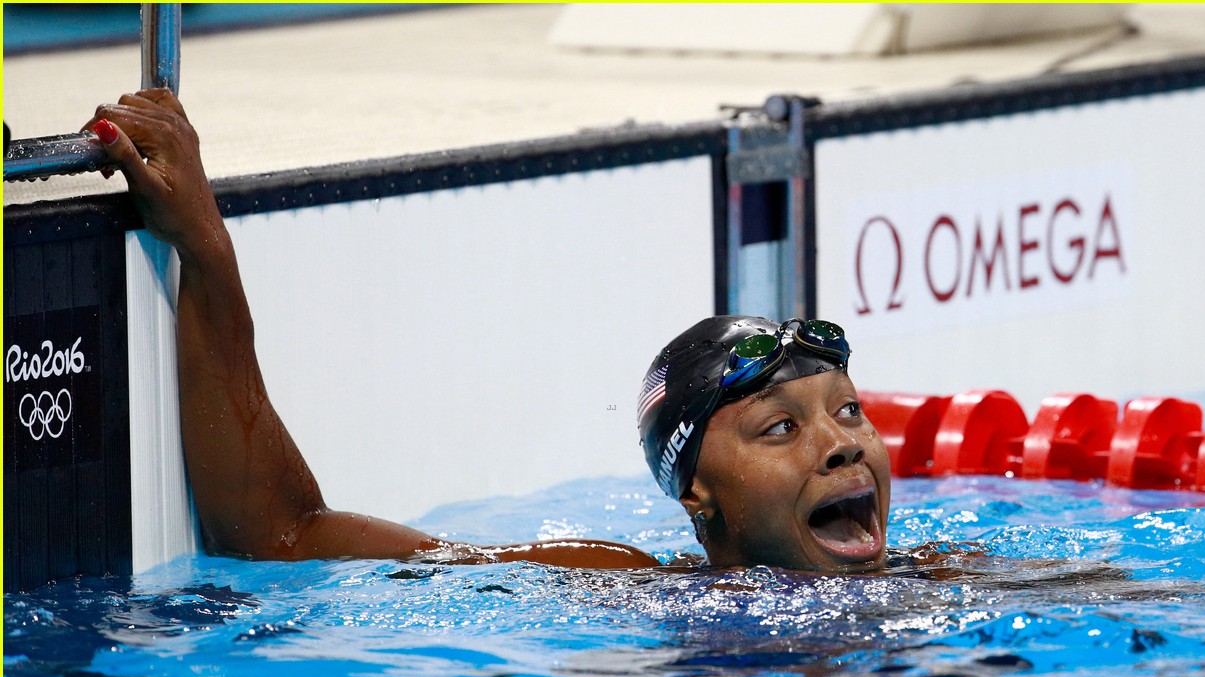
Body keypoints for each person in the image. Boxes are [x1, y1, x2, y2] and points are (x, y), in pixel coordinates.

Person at [84, 89, 890, 573]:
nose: (842, 442)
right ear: (697, 496)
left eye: (847, 410)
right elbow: (283, 534)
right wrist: (205, 245)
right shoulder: (616, 585)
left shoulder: (957, 588)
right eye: (781, 427)